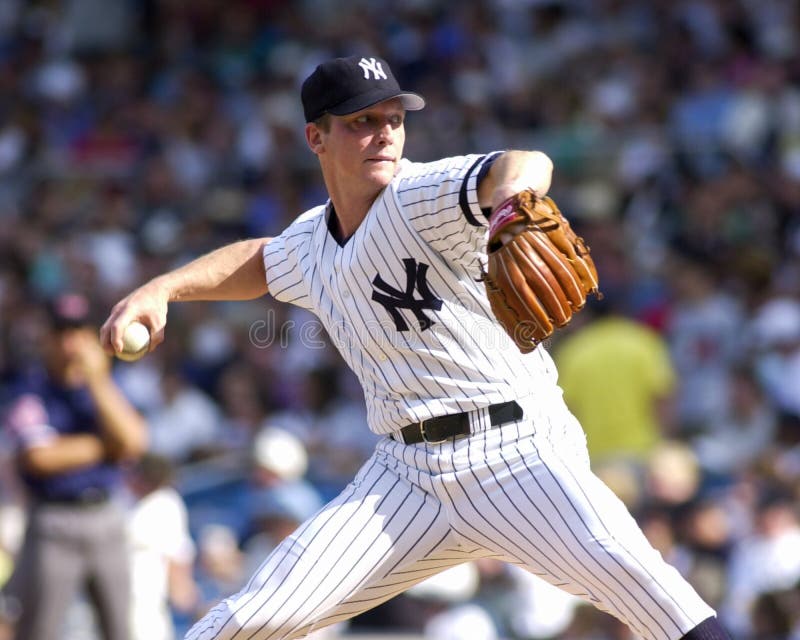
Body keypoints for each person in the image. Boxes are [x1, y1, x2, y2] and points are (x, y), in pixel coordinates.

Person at [101, 55, 731, 640]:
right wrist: (164, 288)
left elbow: (523, 161)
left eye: (394, 119)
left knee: (650, 591)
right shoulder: (310, 243)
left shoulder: (418, 197)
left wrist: (513, 205)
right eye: (361, 122)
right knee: (247, 618)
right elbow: (260, 262)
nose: (384, 134)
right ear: (316, 137)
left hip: (515, 454)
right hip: (405, 478)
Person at [2, 292, 148, 640]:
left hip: (106, 514)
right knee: (39, 631)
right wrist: (108, 446)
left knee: (120, 630)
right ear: (46, 338)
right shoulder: (29, 389)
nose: (72, 344)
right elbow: (40, 458)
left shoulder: (107, 384)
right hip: (53, 521)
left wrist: (97, 380)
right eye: (62, 333)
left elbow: (135, 443)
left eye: (80, 332)